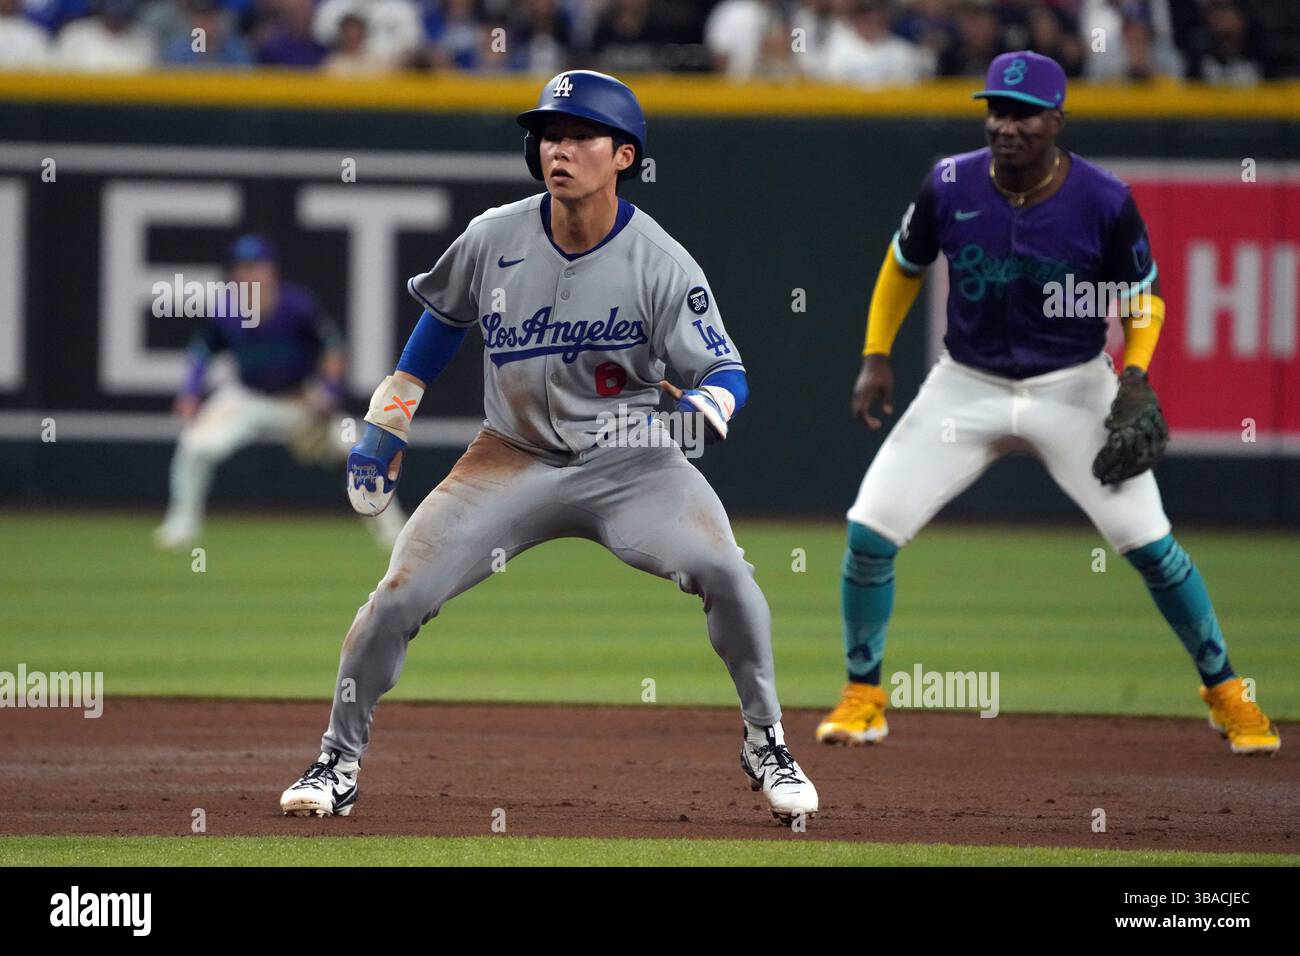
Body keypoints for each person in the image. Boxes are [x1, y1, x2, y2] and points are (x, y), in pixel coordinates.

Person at [279, 70, 819, 826]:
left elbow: (726, 370)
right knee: (397, 595)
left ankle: (767, 741)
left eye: (578, 136)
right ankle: (337, 760)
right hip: (510, 455)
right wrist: (388, 418)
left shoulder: (660, 262)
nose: (557, 149)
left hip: (633, 461)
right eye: (549, 135)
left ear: (624, 155)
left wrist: (704, 406)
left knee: (726, 571)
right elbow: (442, 319)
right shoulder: (495, 235)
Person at [815, 51, 1280, 756]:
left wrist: (1136, 375)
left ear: (1056, 120)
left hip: (1072, 385)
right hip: (965, 384)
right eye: (998, 111)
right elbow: (902, 266)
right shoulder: (949, 182)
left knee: (1152, 546)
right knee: (869, 533)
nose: (1007, 126)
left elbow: (1143, 299)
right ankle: (863, 697)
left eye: (1025, 114)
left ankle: (1226, 692)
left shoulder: (1103, 198)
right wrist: (875, 354)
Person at [155, 235, 405, 551]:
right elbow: (201, 351)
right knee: (195, 445)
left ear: (271, 270)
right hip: (246, 398)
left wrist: (328, 393)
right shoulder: (226, 310)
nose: (247, 275)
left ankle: (394, 533)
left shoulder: (296, 306)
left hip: (298, 398)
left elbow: (333, 349)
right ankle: (181, 525)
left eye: (254, 267)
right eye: (241, 268)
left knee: (357, 451)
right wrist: (191, 391)